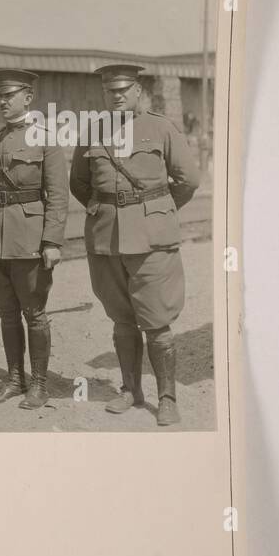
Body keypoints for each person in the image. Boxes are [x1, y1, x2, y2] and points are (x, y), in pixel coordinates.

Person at [70, 63, 200, 426]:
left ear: (139, 91)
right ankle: (131, 390)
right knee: (122, 320)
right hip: (107, 240)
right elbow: (79, 183)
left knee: (156, 322)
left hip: (151, 240)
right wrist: (101, 208)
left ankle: (167, 397)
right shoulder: (94, 131)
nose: (118, 96)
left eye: (124, 89)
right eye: (111, 91)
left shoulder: (161, 127)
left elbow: (188, 179)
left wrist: (157, 209)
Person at [0, 69, 69, 409]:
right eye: (0, 95)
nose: (3, 101)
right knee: (7, 313)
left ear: (27, 98)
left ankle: (39, 384)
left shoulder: (46, 138)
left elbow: (58, 195)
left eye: (9, 95)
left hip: (30, 239)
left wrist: (52, 241)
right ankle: (15, 379)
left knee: (35, 312)